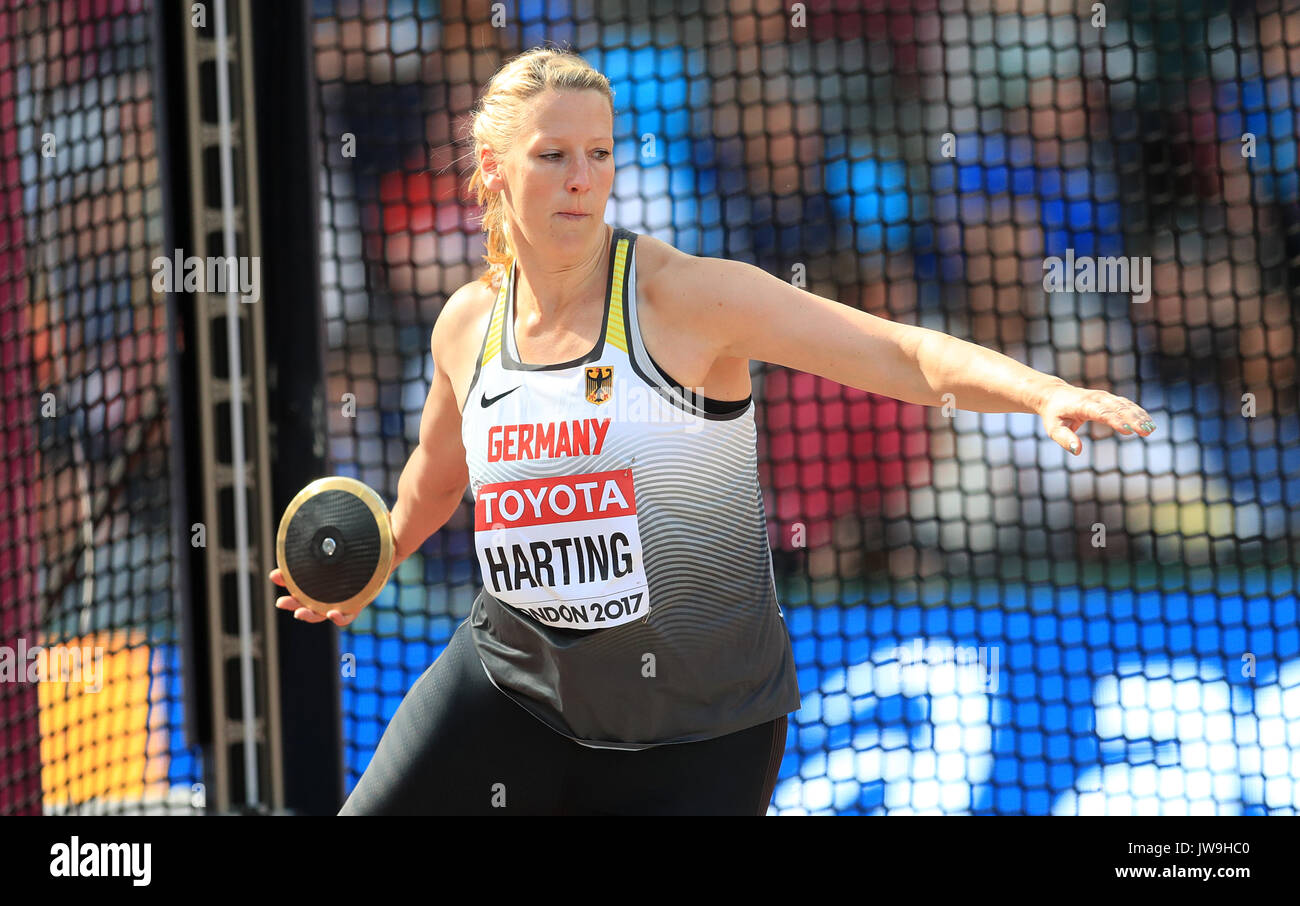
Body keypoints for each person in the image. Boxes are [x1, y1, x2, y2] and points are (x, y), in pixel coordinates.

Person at [269, 46, 1157, 816]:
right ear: (494, 169)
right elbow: (439, 472)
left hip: (697, 733)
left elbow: (898, 355)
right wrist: (380, 557)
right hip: (513, 688)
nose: (583, 178)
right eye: (553, 156)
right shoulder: (468, 325)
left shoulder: (682, 300)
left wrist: (1040, 391)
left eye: (599, 153)